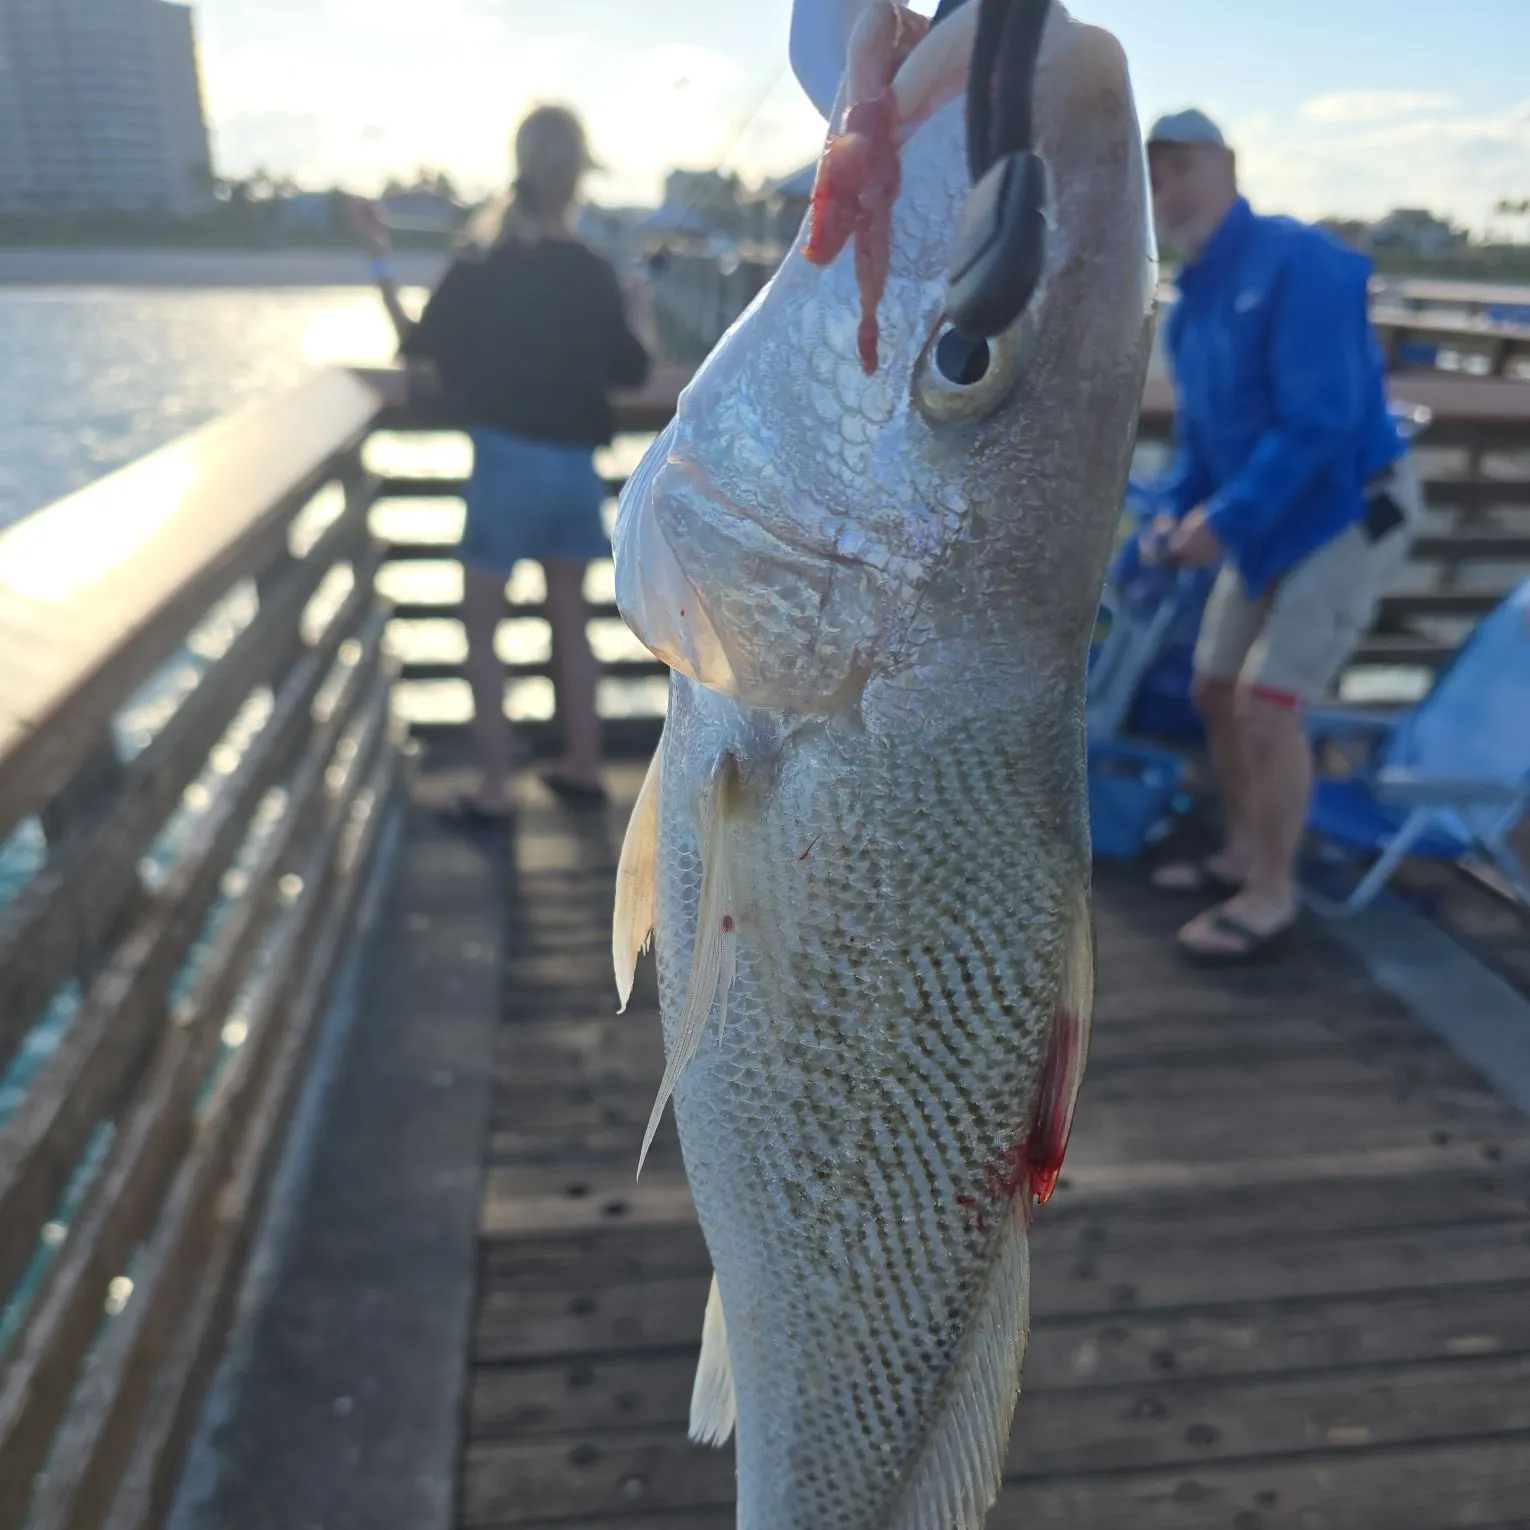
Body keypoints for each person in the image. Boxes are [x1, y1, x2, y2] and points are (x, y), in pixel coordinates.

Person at [1142, 108, 1424, 963]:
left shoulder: (1303, 261)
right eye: (1152, 174)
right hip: (1265, 523)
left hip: (1345, 507)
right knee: (1210, 689)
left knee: (1271, 706)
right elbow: (1199, 445)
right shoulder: (1188, 309)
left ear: (1228, 163)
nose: (1166, 188)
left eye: (1182, 165)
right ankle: (1240, 849)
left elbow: (1324, 424)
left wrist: (1221, 522)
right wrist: (1172, 512)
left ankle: (1272, 892)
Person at [358, 105, 653, 821]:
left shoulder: (481, 263)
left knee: (481, 630)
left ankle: (497, 785)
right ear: (579, 175)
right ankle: (583, 766)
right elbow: (633, 369)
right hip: (573, 471)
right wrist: (637, 305)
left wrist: (379, 260)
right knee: (571, 626)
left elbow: (418, 347)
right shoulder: (593, 272)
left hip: (504, 465)